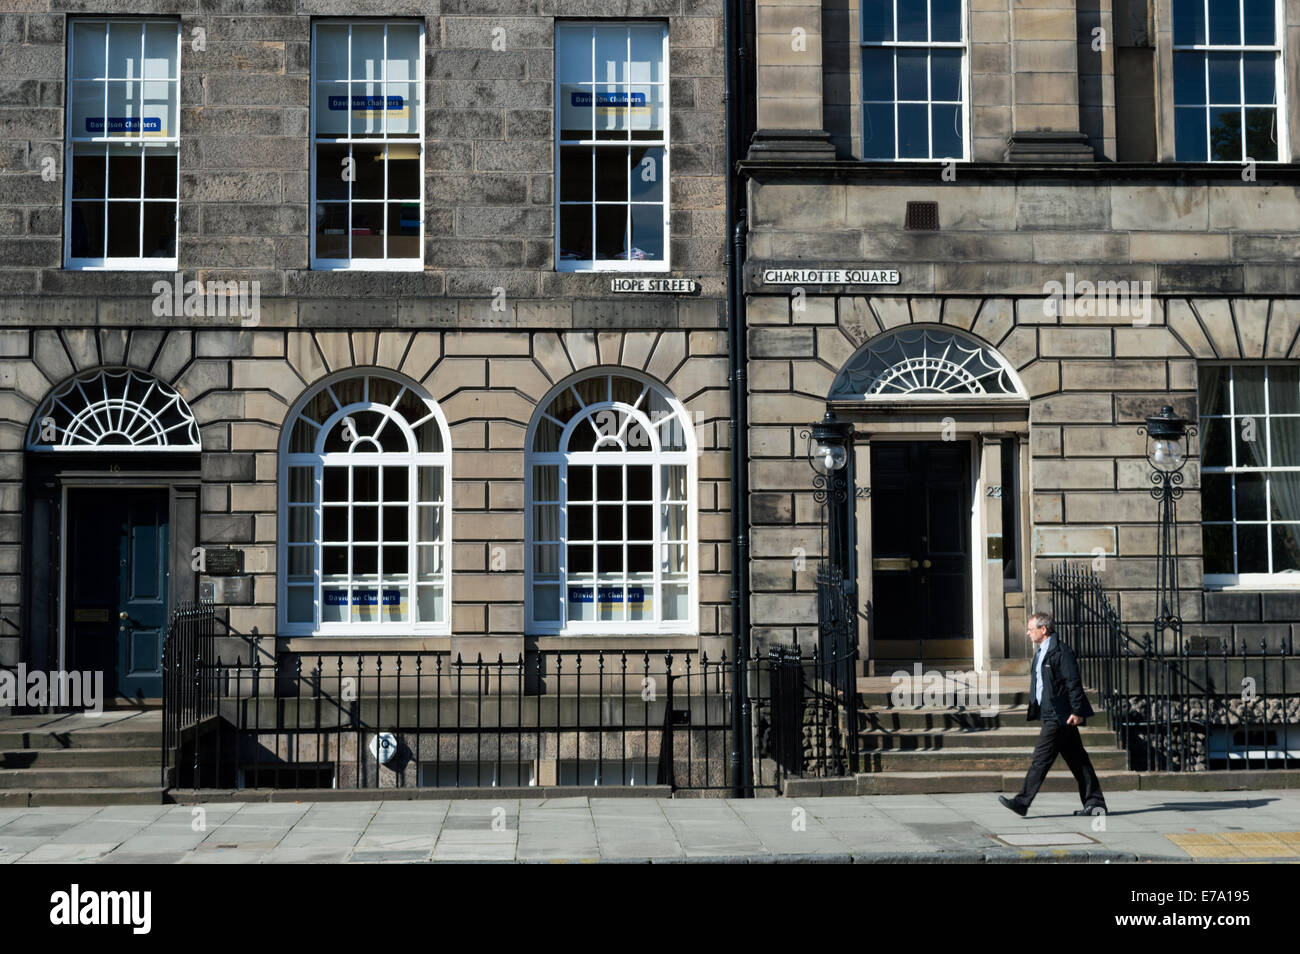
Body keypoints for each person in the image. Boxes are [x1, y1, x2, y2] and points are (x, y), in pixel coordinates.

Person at [999, 611, 1108, 817]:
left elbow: (1073, 682)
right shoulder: (1041, 652)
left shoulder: (1061, 651)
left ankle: (1022, 801)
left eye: (1030, 629)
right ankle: (1095, 803)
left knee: (1041, 758)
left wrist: (1077, 710)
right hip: (1050, 712)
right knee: (1078, 760)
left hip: (1060, 715)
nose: (1027, 633)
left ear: (1043, 629)